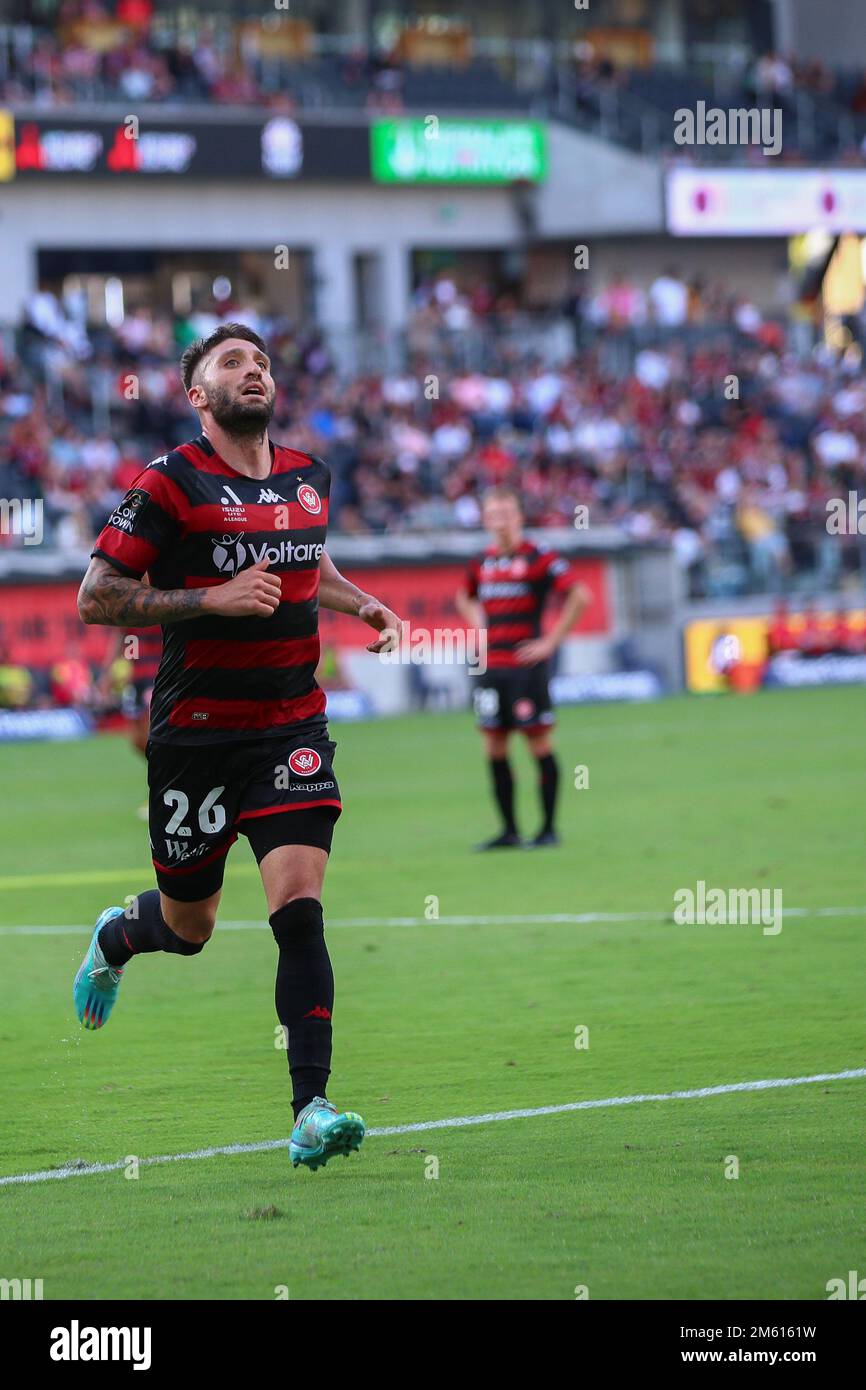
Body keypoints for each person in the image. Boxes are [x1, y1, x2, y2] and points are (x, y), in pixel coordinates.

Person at [73, 323, 403, 1172]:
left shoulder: (307, 476)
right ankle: (119, 938)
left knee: (299, 913)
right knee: (191, 927)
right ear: (198, 395)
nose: (252, 372)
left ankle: (309, 1110)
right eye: (232, 363)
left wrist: (362, 604)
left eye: (260, 362)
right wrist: (212, 600)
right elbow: (98, 597)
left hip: (290, 728)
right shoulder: (170, 482)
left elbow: (305, 566)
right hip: (195, 739)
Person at [455, 487, 588, 849]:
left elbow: (579, 595)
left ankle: (547, 829)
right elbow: (463, 596)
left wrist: (550, 643)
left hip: (525, 668)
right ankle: (509, 831)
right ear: (485, 519)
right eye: (492, 513)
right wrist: (477, 625)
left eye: (505, 512)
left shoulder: (538, 556)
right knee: (494, 746)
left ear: (518, 517)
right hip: (490, 669)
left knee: (538, 742)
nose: (498, 519)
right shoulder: (480, 562)